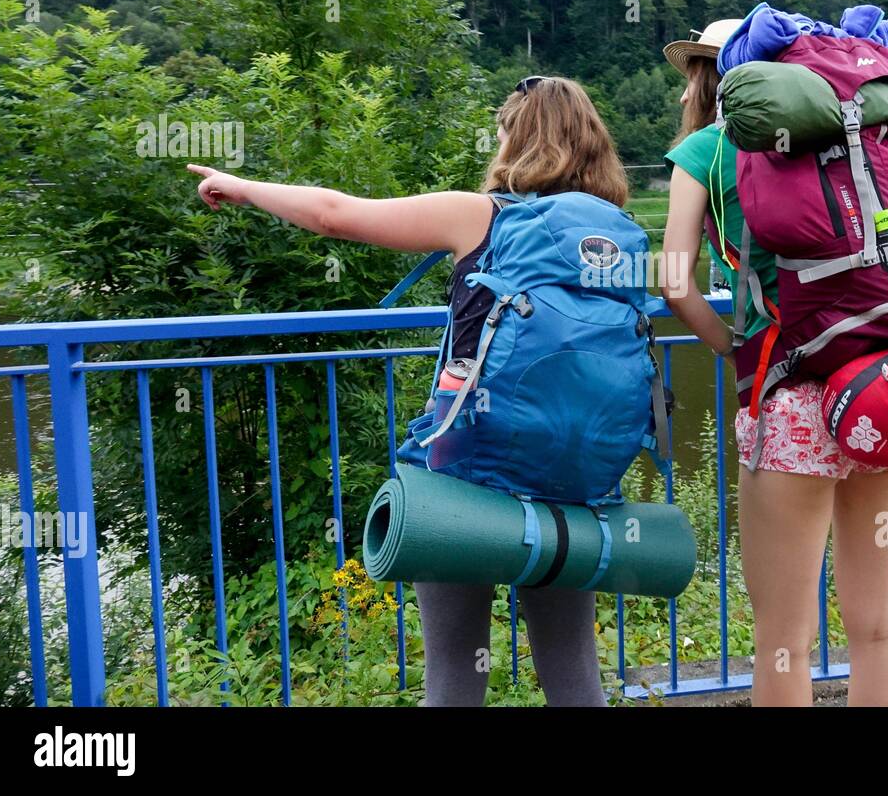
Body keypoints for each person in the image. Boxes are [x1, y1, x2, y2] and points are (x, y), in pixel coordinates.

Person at [189, 75, 625, 706]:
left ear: (517, 140)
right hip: (575, 474)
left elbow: (334, 214)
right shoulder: (615, 234)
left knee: (454, 671)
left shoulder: (482, 215)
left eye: (503, 131)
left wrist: (241, 186)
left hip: (463, 468)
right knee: (571, 668)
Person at [659, 22, 888, 707]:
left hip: (789, 395)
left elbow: (673, 282)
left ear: (710, 79)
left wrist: (727, 346)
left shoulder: (705, 151)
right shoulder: (854, 138)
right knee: (876, 624)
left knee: (784, 635)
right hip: (887, 384)